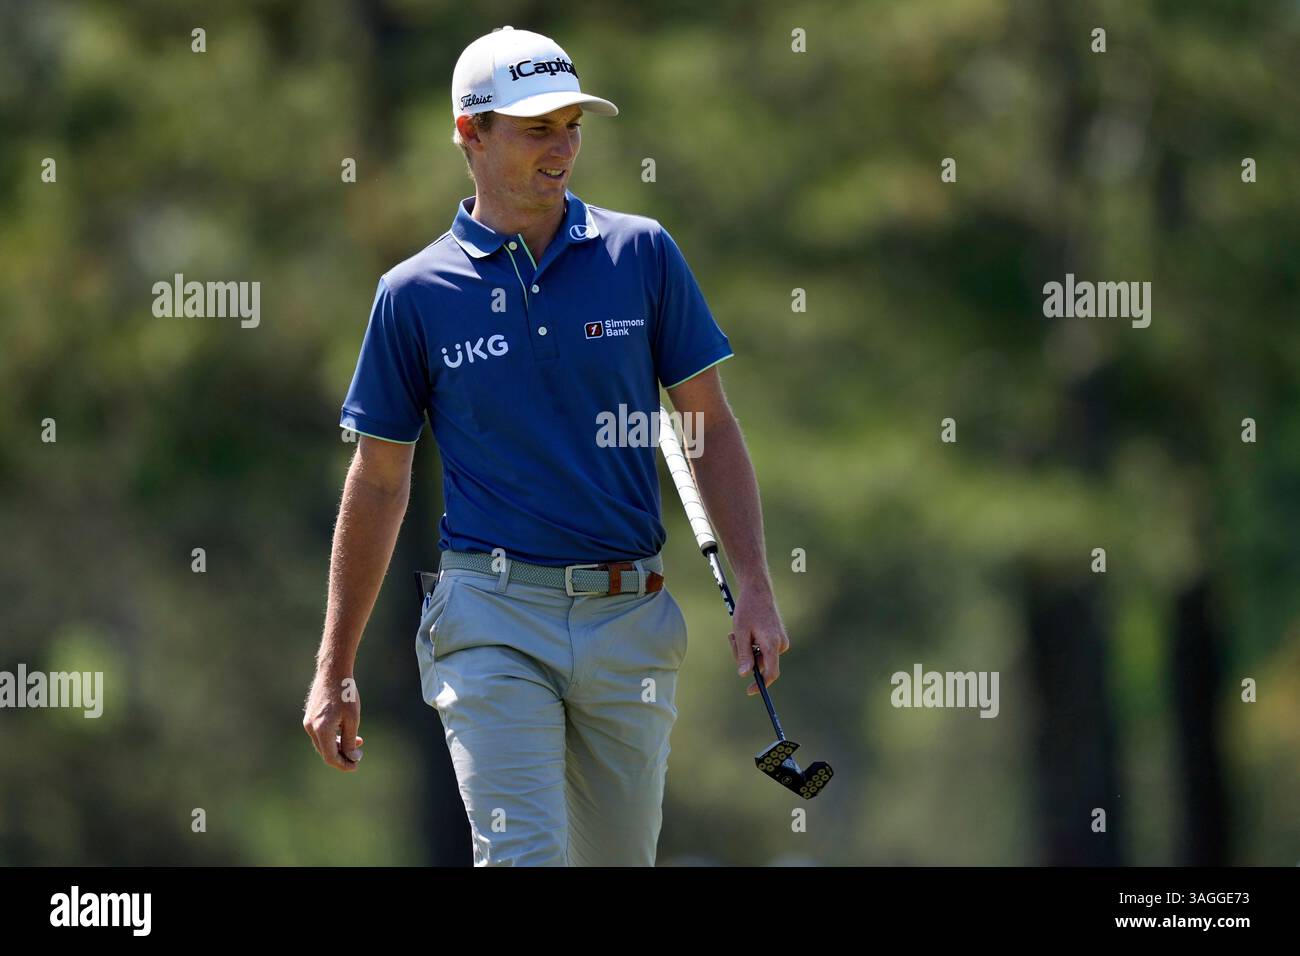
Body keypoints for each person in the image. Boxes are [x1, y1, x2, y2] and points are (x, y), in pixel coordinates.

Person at [302, 25, 789, 866]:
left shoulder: (642, 254)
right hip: (490, 618)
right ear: (471, 134)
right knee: (523, 857)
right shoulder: (413, 296)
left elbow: (705, 424)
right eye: (536, 129)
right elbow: (379, 482)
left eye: (572, 125)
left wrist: (756, 584)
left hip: (629, 617)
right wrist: (334, 663)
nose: (562, 148)